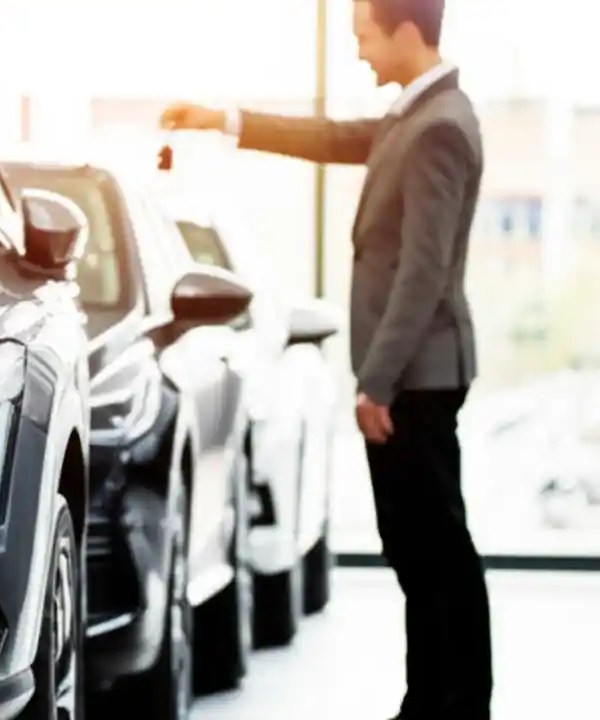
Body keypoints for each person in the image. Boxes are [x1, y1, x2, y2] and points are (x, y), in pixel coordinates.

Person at [160, 0, 491, 718]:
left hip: (415, 376)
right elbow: (333, 136)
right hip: (412, 372)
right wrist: (226, 120)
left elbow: (422, 272)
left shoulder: (437, 126)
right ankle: (432, 698)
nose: (361, 54)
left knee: (436, 551)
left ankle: (455, 703)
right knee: (418, 550)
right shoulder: (418, 115)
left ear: (406, 31)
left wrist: (377, 378)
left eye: (364, 38)